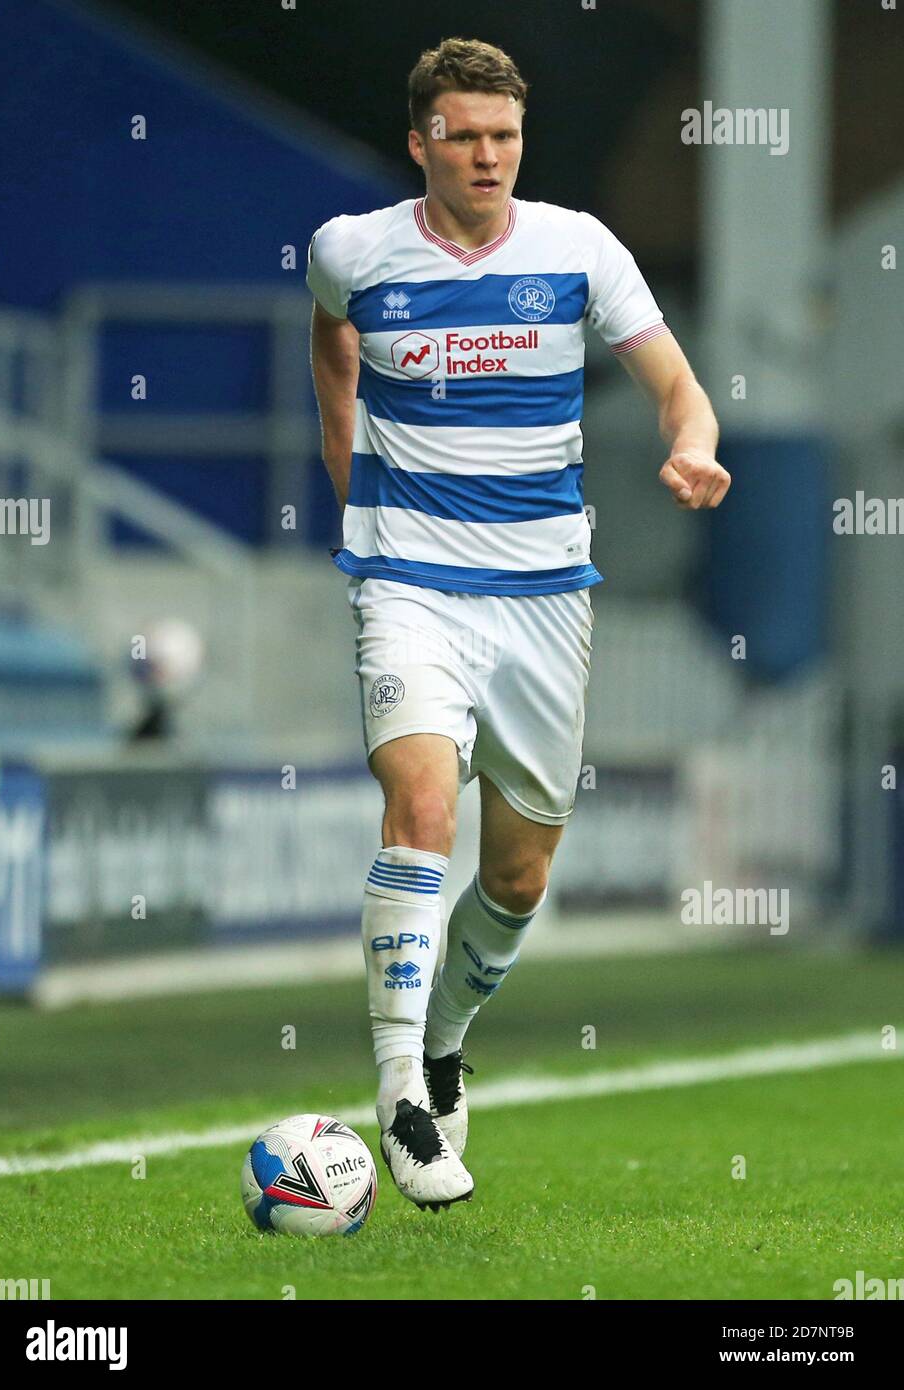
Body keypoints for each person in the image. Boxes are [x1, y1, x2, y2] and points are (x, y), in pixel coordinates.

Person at [307, 37, 729, 1211]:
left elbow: (676, 387)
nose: (488, 156)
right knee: (421, 807)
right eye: (465, 135)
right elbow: (331, 337)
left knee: (520, 874)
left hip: (545, 597)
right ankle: (399, 1095)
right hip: (407, 583)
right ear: (420, 143)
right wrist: (348, 463)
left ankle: (444, 1041)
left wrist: (691, 444)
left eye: (504, 136)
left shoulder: (579, 250)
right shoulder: (353, 251)